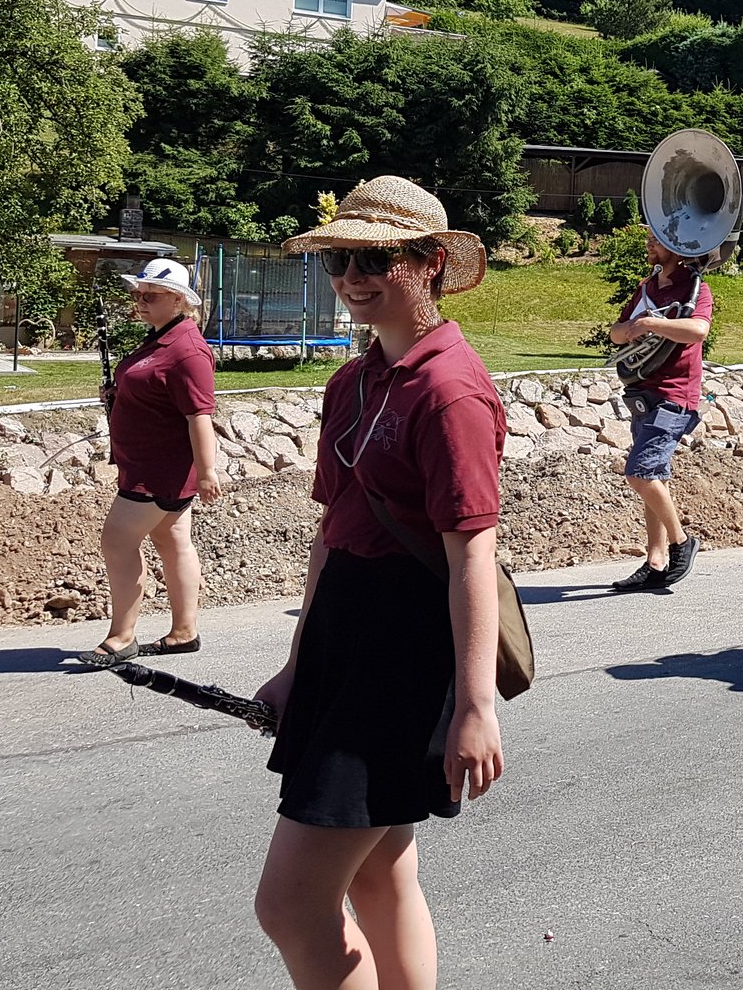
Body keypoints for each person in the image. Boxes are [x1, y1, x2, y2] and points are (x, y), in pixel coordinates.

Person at [254, 176, 505, 990]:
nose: (353, 278)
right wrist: (300, 664)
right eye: (340, 261)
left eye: (375, 259)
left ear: (430, 263)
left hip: (403, 647)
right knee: (379, 870)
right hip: (343, 633)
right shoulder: (351, 383)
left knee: (290, 905)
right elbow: (333, 531)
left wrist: (475, 706)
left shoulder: (451, 389)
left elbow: (471, 552)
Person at [75, 260, 219, 668]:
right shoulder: (160, 338)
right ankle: (183, 632)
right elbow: (153, 390)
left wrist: (207, 472)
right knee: (173, 543)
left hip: (159, 473)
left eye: (150, 295)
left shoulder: (187, 350)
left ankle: (122, 637)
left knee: (117, 541)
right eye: (137, 293)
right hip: (148, 467)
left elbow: (200, 415)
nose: (139, 301)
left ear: (178, 299)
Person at [606, 231, 713, 593]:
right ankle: (655, 562)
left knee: (640, 473)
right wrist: (630, 331)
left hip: (674, 396)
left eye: (657, 240)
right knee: (656, 478)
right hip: (642, 394)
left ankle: (681, 543)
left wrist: (651, 323)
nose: (649, 245)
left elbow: (697, 330)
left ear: (678, 247)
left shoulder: (696, 289)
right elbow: (615, 332)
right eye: (649, 238)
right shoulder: (645, 288)